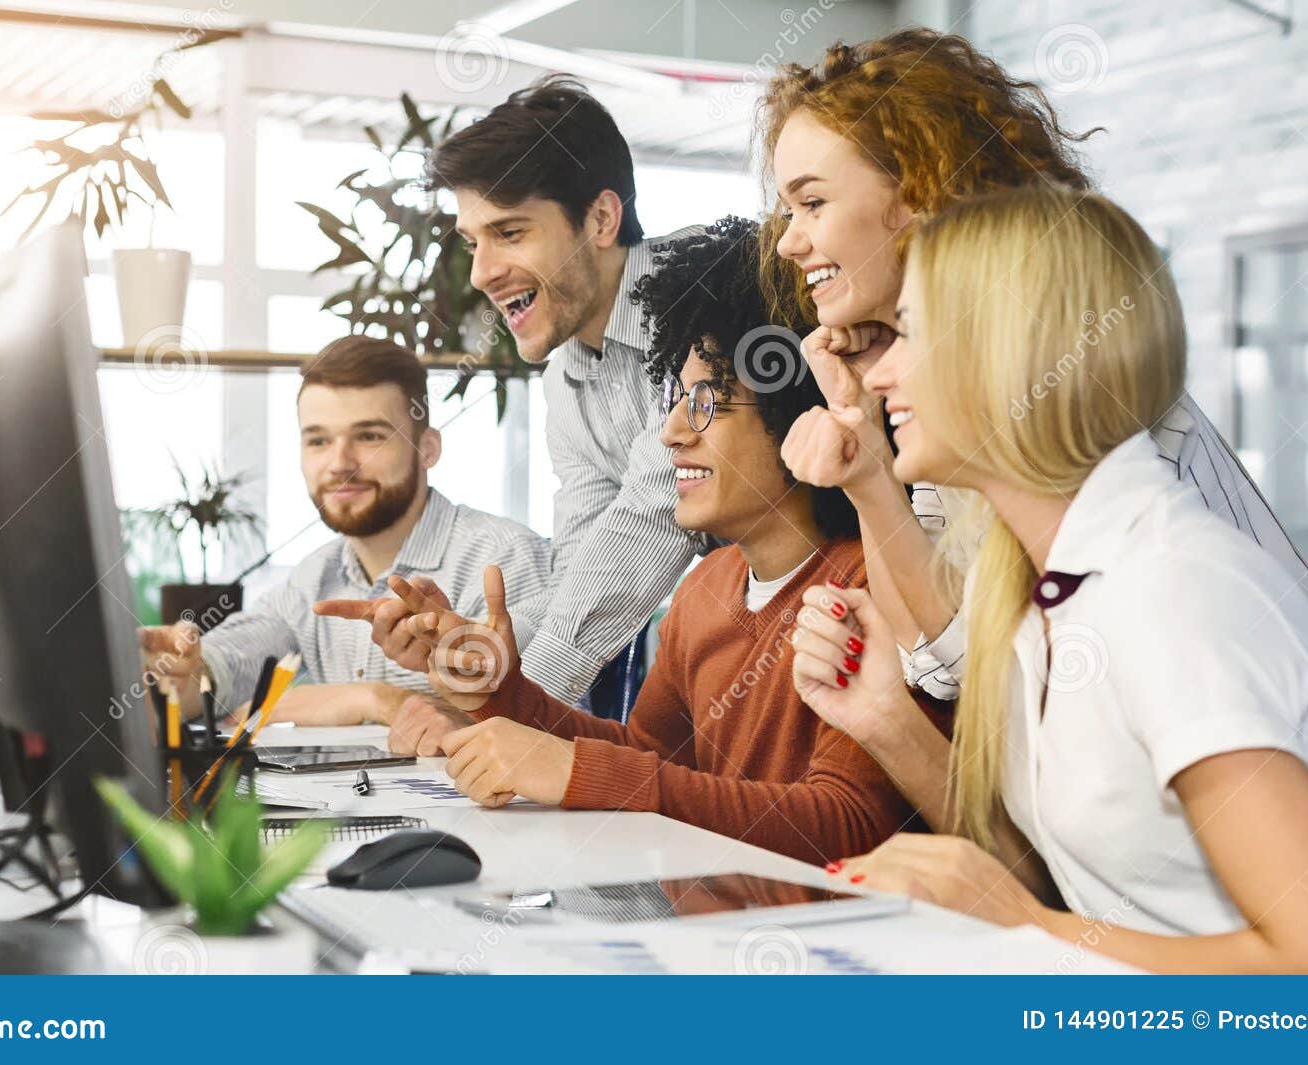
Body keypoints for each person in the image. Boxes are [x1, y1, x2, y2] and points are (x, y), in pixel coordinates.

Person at [793, 186, 1308, 972]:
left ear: (1007, 351)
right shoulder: (1040, 588)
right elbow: (1063, 881)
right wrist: (886, 714)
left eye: (911, 333)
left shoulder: (1170, 591)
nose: (882, 371)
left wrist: (1023, 925)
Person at [763, 30, 1308, 703]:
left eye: (812, 202)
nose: (788, 240)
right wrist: (867, 456)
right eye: (787, 210)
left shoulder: (1056, 365)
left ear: (918, 190)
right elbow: (942, 665)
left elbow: (984, 666)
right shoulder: (947, 381)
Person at [343, 219, 923, 864]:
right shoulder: (707, 588)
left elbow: (847, 823)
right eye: (675, 398)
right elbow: (648, 759)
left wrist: (580, 773)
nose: (672, 432)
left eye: (705, 402)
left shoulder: (878, 584)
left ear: (794, 408)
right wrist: (498, 693)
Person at [363, 75, 704, 711]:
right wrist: (476, 651)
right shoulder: (569, 372)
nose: (482, 273)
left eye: (510, 233)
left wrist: (511, 707)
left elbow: (653, 524)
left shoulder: (697, 298)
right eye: (473, 241)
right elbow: (584, 568)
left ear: (601, 218)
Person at [139, 336, 550, 725]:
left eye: (369, 436)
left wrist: (373, 700)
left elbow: (543, 720)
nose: (340, 463)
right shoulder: (315, 577)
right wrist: (183, 669)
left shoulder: (505, 560)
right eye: (318, 441)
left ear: (427, 449)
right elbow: (227, 665)